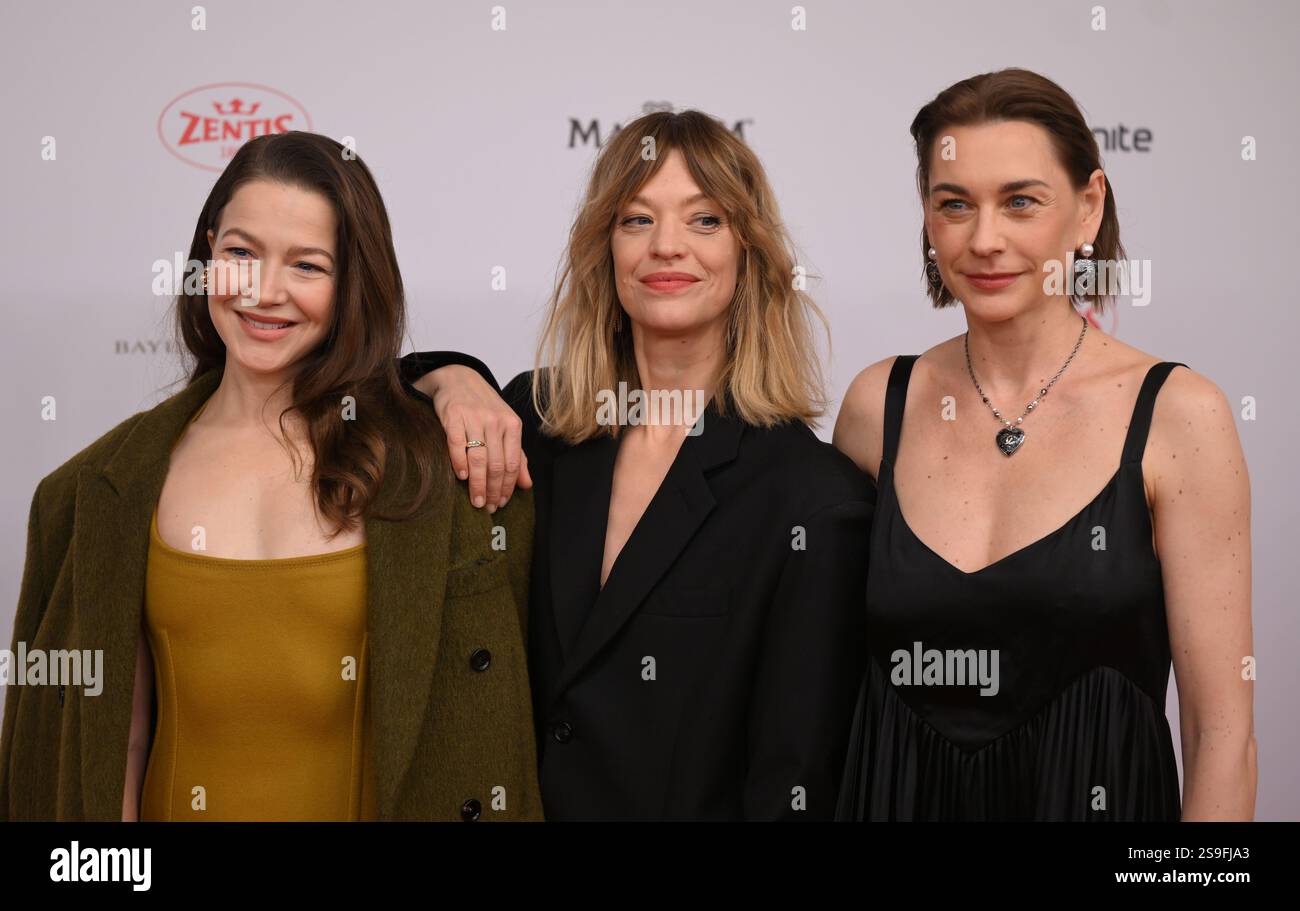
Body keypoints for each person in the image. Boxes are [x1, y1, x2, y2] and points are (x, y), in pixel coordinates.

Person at [0, 131, 541, 822]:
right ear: (206, 255)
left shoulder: (450, 474)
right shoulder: (96, 489)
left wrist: (453, 375)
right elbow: (114, 746)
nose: (264, 292)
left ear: (353, 283)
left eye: (307, 265)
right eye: (241, 253)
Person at [405, 110, 873, 820]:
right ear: (605, 248)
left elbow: (792, 782)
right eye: (636, 219)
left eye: (705, 220)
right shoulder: (535, 418)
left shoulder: (812, 499)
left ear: (750, 251)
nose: (666, 246)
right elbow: (358, 405)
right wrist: (447, 377)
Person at [832, 68, 1256, 820]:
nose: (985, 239)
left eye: (1021, 202)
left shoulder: (1178, 415)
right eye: (954, 204)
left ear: (1088, 207)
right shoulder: (876, 407)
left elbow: (1220, 734)